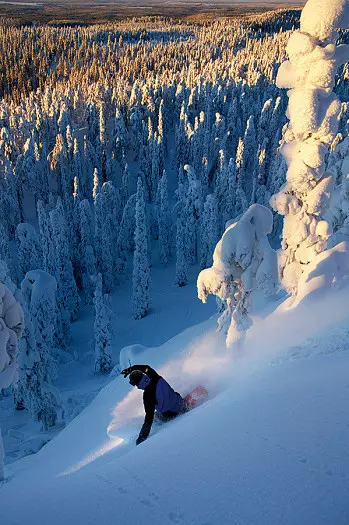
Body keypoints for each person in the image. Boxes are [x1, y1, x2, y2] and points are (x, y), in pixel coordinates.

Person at [122, 364, 185, 445]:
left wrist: (142, 437)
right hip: (179, 402)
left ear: (137, 384)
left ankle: (166, 419)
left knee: (155, 416)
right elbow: (146, 368)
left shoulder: (147, 396)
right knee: (175, 394)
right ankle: (182, 407)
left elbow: (149, 418)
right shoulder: (154, 376)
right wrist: (131, 369)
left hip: (170, 414)